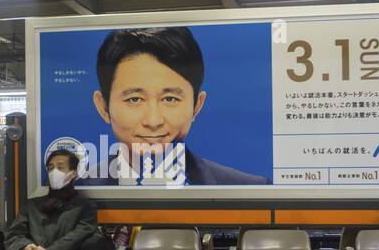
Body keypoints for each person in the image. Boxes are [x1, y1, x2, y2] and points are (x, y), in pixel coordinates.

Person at [81, 27, 269, 186]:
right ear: (103, 107)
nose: (153, 121)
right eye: (135, 99)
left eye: (170, 99)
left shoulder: (246, 187)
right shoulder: (80, 188)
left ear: (197, 105)